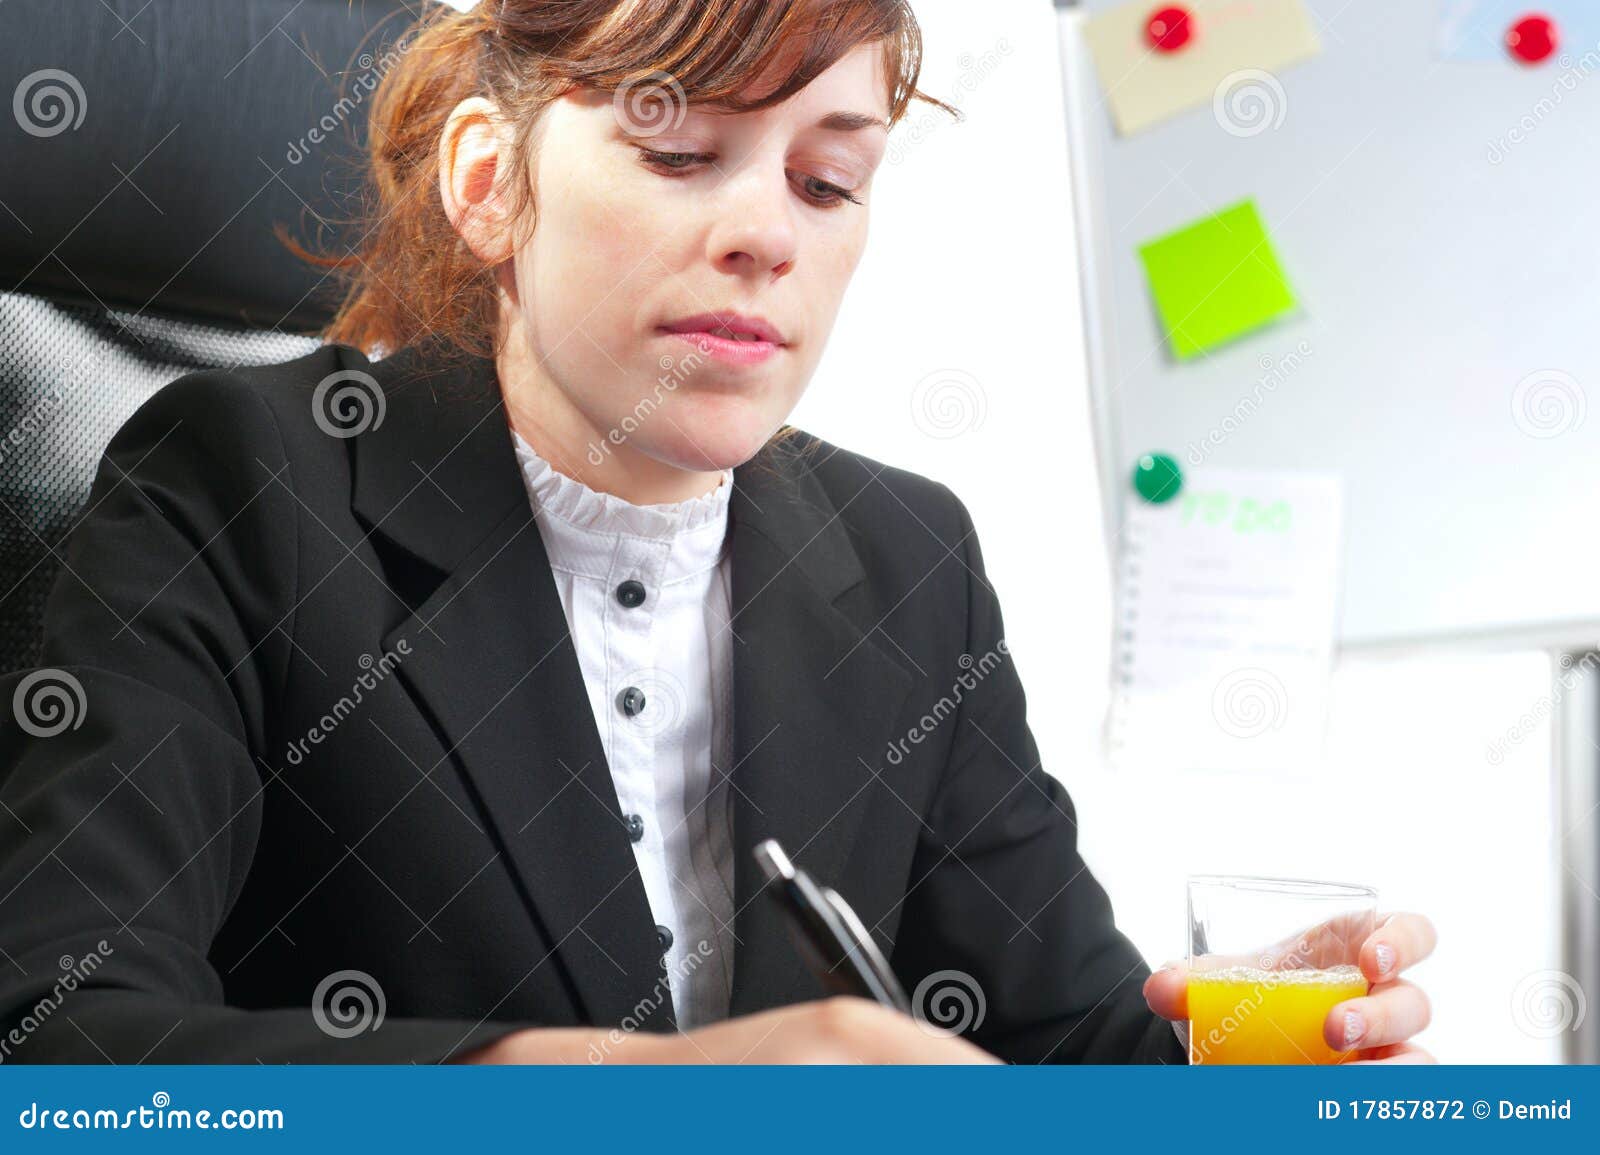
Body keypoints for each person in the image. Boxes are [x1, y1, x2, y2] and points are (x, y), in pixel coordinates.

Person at [0, 0, 1433, 1064]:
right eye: (681, 150)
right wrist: (653, 1091)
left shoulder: (907, 560)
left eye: (827, 181)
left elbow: (1055, 1054)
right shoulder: (240, 485)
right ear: (493, 184)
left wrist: (1236, 1051)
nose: (769, 233)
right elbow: (59, 1048)